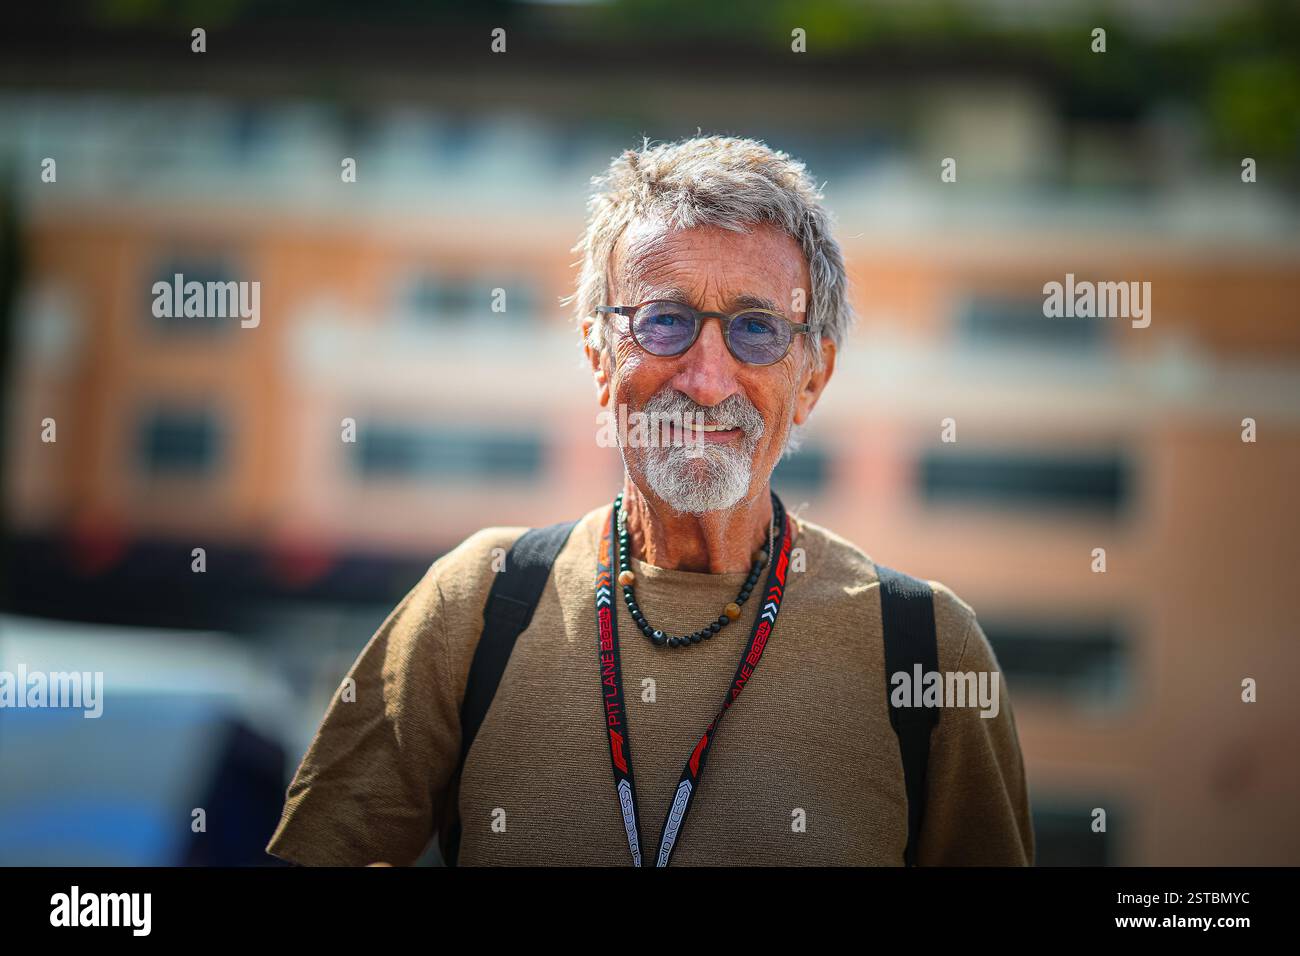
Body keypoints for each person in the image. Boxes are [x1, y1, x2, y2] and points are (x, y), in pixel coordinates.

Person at [266, 135, 1034, 866]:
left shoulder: (927, 647)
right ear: (599, 355)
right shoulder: (479, 602)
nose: (705, 380)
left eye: (757, 330)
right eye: (665, 321)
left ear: (812, 378)